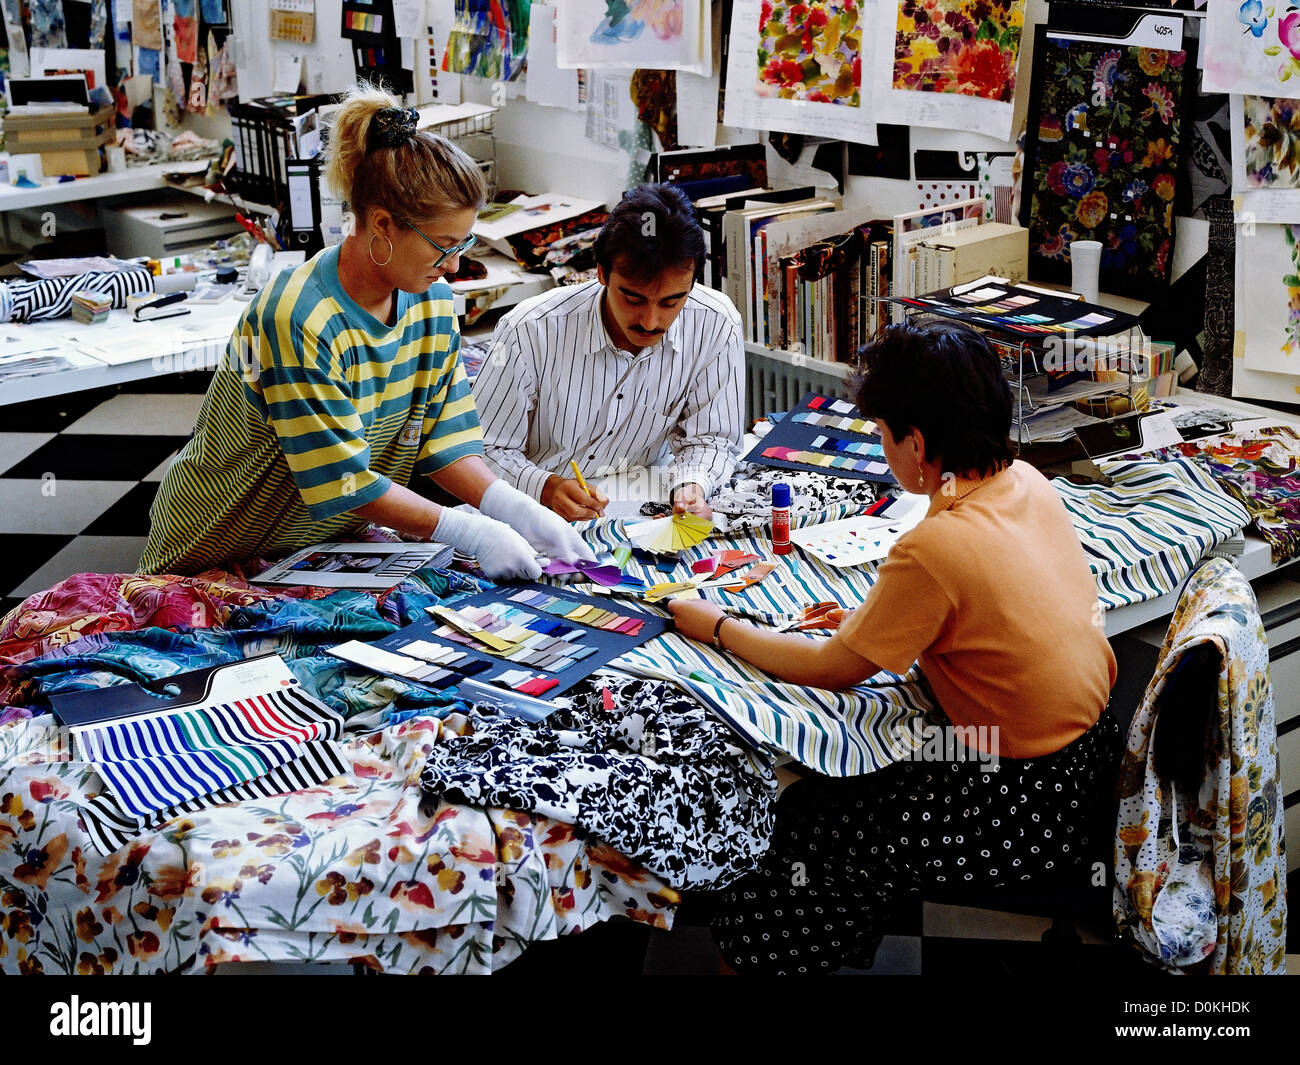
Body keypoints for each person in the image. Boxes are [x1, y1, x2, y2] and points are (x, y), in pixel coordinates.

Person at [667, 318, 1121, 975]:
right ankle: (827, 935)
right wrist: (873, 620)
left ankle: (760, 958)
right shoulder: (1023, 480)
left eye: (883, 434)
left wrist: (716, 625)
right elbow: (975, 605)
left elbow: (831, 668)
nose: (882, 449)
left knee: (806, 814)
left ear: (917, 442)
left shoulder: (936, 545)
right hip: (1091, 762)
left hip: (1020, 805)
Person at [139, 85, 591, 580]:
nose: (455, 264)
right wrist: (470, 531)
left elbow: (444, 439)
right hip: (223, 541)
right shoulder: (299, 319)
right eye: (443, 246)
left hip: (323, 544)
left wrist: (512, 506)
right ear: (382, 224)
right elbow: (342, 481)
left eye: (463, 244)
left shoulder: (432, 302)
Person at [472, 183, 744, 522]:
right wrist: (546, 487)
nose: (650, 322)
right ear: (601, 272)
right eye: (633, 299)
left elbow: (711, 440)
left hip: (642, 509)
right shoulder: (528, 330)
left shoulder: (715, 323)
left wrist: (692, 486)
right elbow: (485, 450)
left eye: (672, 301)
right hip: (533, 513)